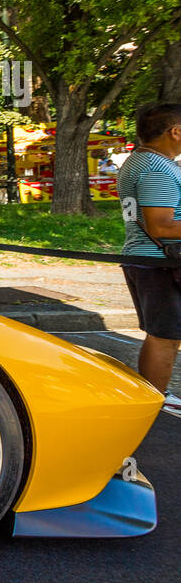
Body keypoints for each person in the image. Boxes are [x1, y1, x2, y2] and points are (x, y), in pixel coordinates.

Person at [117, 102, 181, 417]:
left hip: (149, 260)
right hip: (159, 262)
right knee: (165, 335)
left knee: (164, 333)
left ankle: (155, 397)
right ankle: (154, 402)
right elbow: (161, 225)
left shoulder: (142, 162)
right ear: (175, 131)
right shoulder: (156, 169)